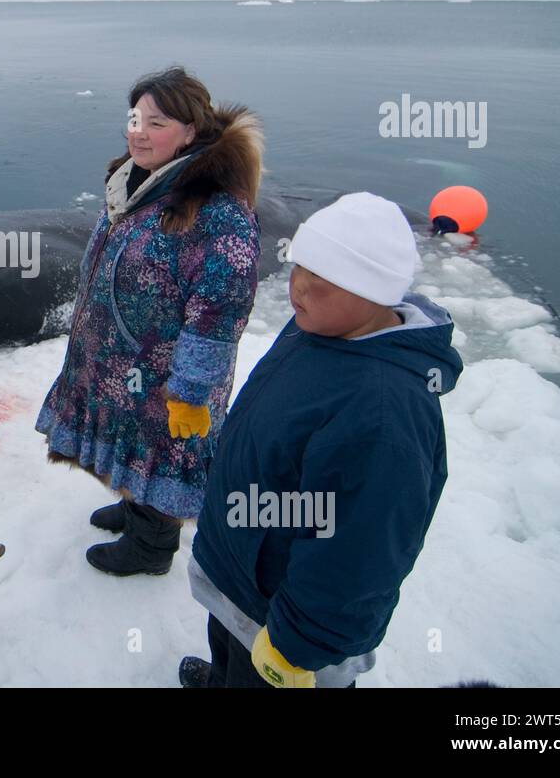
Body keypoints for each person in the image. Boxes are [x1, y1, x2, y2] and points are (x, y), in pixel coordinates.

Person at [182, 192, 463, 687]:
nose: (299, 289)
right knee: (229, 650)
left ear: (376, 292)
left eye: (324, 281)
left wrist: (298, 644)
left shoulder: (383, 414)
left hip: (282, 620)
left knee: (256, 672)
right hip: (243, 573)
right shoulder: (318, 329)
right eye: (299, 268)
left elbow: (361, 555)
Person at [36, 67, 264, 577]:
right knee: (128, 443)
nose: (138, 131)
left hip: (166, 374)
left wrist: (191, 388)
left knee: (160, 452)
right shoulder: (137, 182)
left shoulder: (217, 211)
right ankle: (134, 502)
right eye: (135, 117)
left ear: (192, 131)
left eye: (156, 122)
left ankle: (151, 546)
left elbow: (219, 311)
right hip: (119, 358)